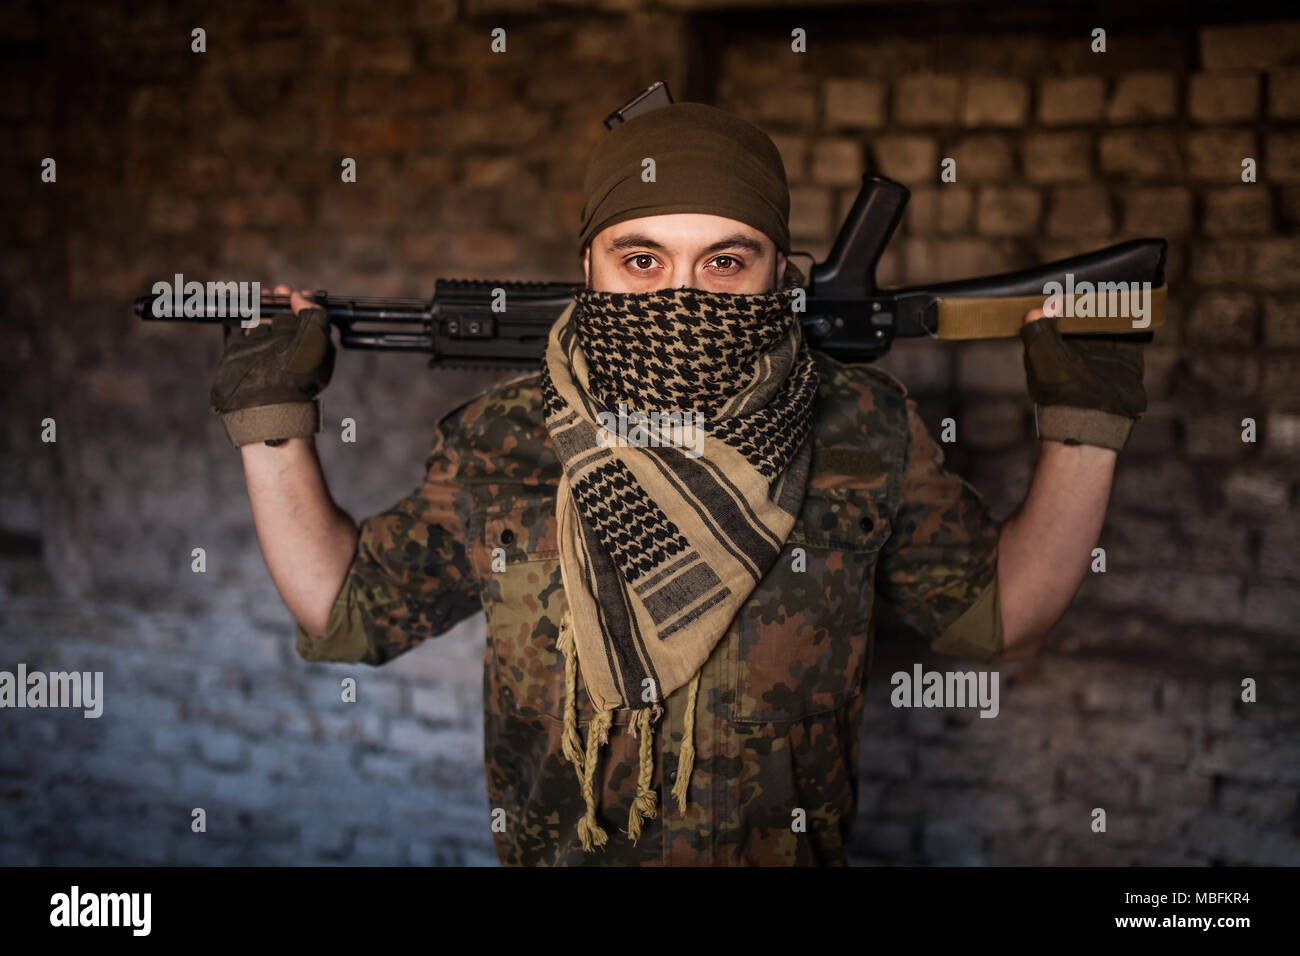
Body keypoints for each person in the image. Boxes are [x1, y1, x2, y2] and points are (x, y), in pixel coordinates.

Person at [209, 102, 1146, 866]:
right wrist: (270, 417)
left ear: (783, 273)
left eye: (725, 262)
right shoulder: (506, 435)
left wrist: (1085, 417)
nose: (680, 297)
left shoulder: (863, 425)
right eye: (642, 259)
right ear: (590, 266)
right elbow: (344, 610)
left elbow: (1004, 618)